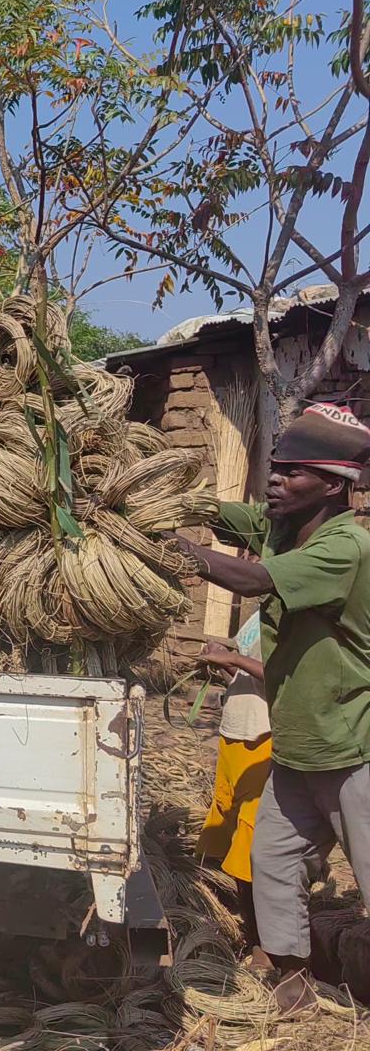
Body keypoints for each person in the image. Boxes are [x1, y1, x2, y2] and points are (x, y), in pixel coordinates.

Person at [176, 401, 370, 1012]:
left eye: (293, 472)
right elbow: (216, 513)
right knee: (273, 858)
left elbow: (254, 581)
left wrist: (173, 550)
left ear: (333, 486)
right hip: (298, 746)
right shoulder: (283, 526)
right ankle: (292, 981)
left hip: (351, 748)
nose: (276, 480)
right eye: (276, 468)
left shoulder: (345, 547)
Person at [195, 610, 271, 961]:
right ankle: (229, 919)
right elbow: (243, 678)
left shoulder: (294, 615)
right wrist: (222, 664)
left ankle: (262, 945)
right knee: (225, 823)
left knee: (251, 840)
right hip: (234, 733)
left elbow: (284, 677)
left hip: (263, 736)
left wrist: (234, 658)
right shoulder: (256, 616)